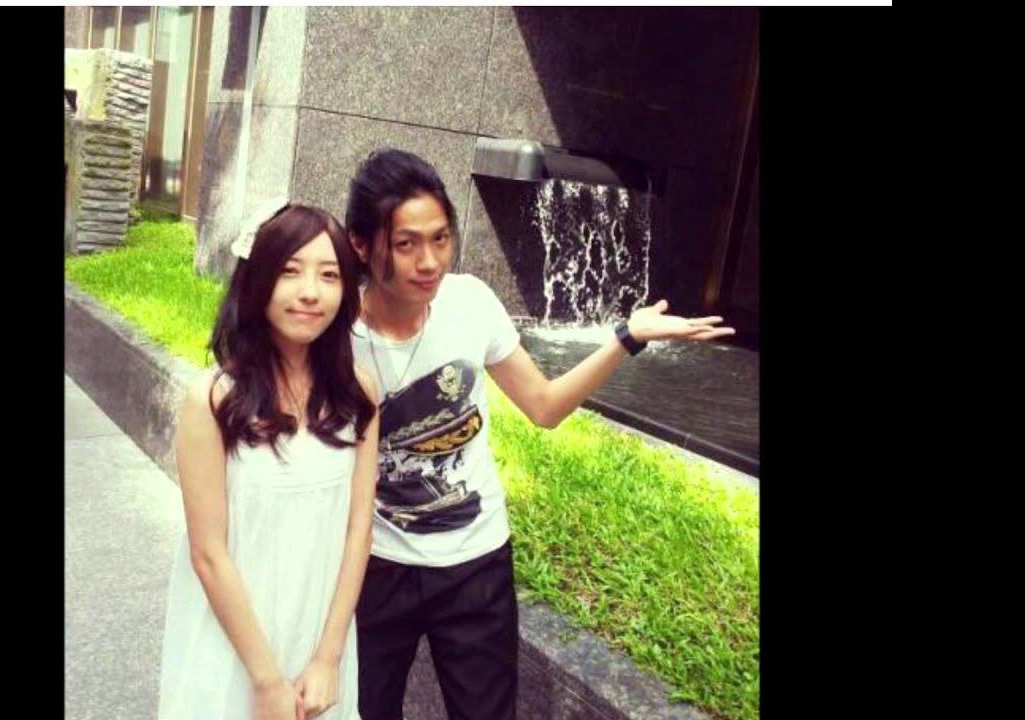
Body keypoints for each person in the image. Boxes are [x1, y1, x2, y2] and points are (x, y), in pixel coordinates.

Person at [344, 149, 735, 720]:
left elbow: (545, 408)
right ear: (361, 245)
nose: (429, 262)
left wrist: (627, 337)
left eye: (441, 239)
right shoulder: (338, 335)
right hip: (376, 566)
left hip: (475, 564)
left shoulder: (470, 302)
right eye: (406, 244)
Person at [158, 201, 380, 720]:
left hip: (319, 638)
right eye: (290, 271)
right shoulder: (214, 400)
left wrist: (328, 657)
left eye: (329, 275)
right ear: (257, 282)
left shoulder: (358, 395)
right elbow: (208, 554)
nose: (310, 292)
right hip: (235, 645)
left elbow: (359, 526)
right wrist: (267, 681)